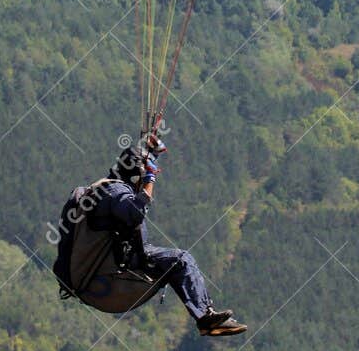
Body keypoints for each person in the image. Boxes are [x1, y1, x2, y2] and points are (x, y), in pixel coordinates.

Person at [94, 135, 246, 338]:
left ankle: (205, 317)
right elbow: (135, 212)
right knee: (181, 260)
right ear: (134, 176)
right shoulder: (117, 192)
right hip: (127, 259)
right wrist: (150, 180)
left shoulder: (112, 184)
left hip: (126, 253)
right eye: (141, 175)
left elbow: (130, 169)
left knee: (176, 265)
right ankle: (205, 317)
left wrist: (152, 154)